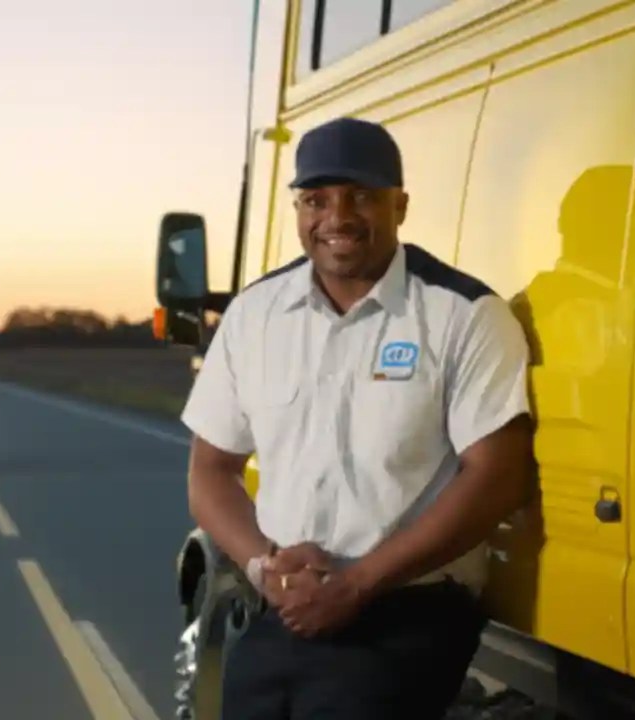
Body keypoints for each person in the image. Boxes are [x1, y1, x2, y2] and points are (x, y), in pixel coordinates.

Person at [181, 116, 534, 719]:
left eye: (362, 197)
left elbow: (496, 479)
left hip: (408, 609)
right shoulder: (254, 314)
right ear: (298, 209)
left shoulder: (465, 315)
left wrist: (358, 583)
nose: (337, 218)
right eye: (316, 200)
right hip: (287, 600)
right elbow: (211, 472)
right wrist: (265, 568)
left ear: (400, 205)